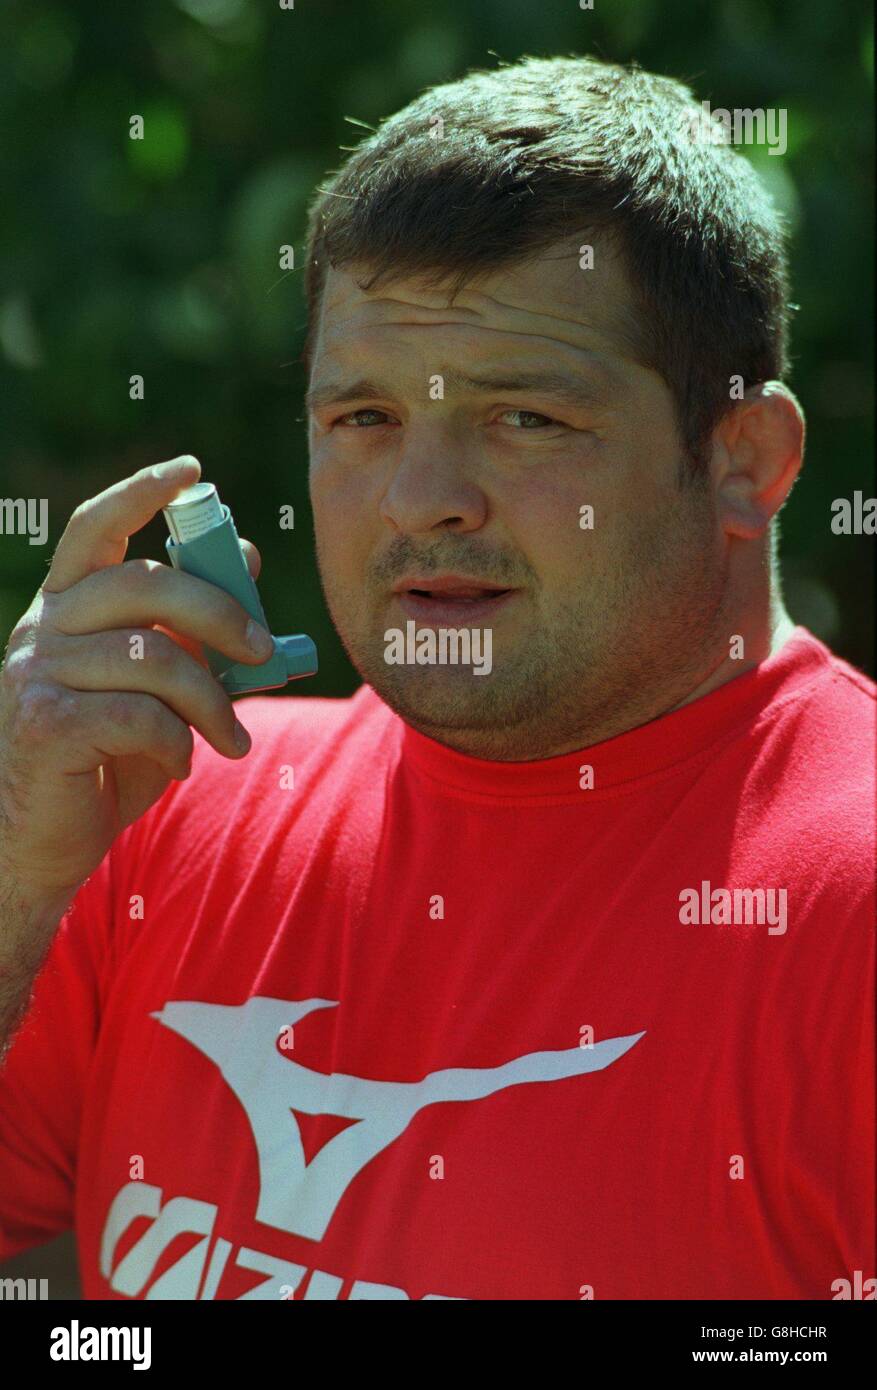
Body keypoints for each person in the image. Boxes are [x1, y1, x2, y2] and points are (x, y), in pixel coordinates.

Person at [0, 54, 873, 1302]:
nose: (423, 501)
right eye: (363, 418)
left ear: (745, 461)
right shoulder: (153, 807)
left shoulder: (850, 903)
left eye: (524, 418)